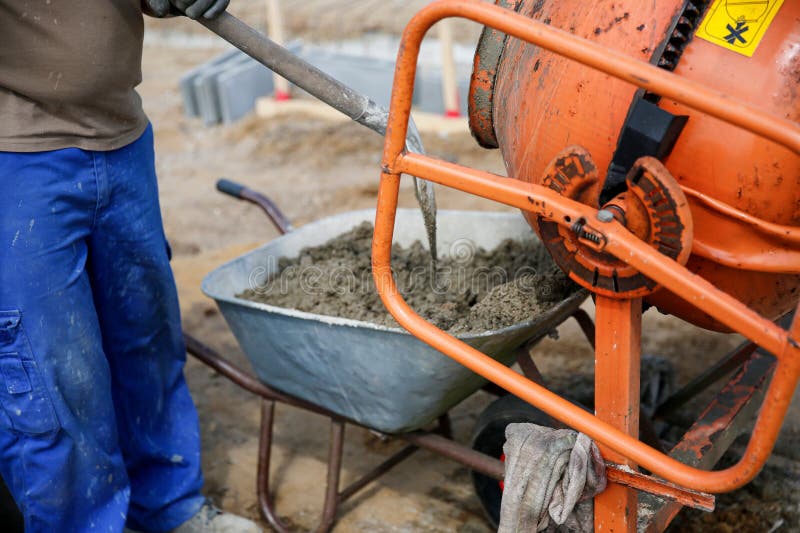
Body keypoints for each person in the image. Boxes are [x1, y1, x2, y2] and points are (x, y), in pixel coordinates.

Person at [0, 1, 261, 531]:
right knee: (53, 373)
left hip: (121, 134)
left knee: (146, 338)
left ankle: (168, 505)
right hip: (17, 154)